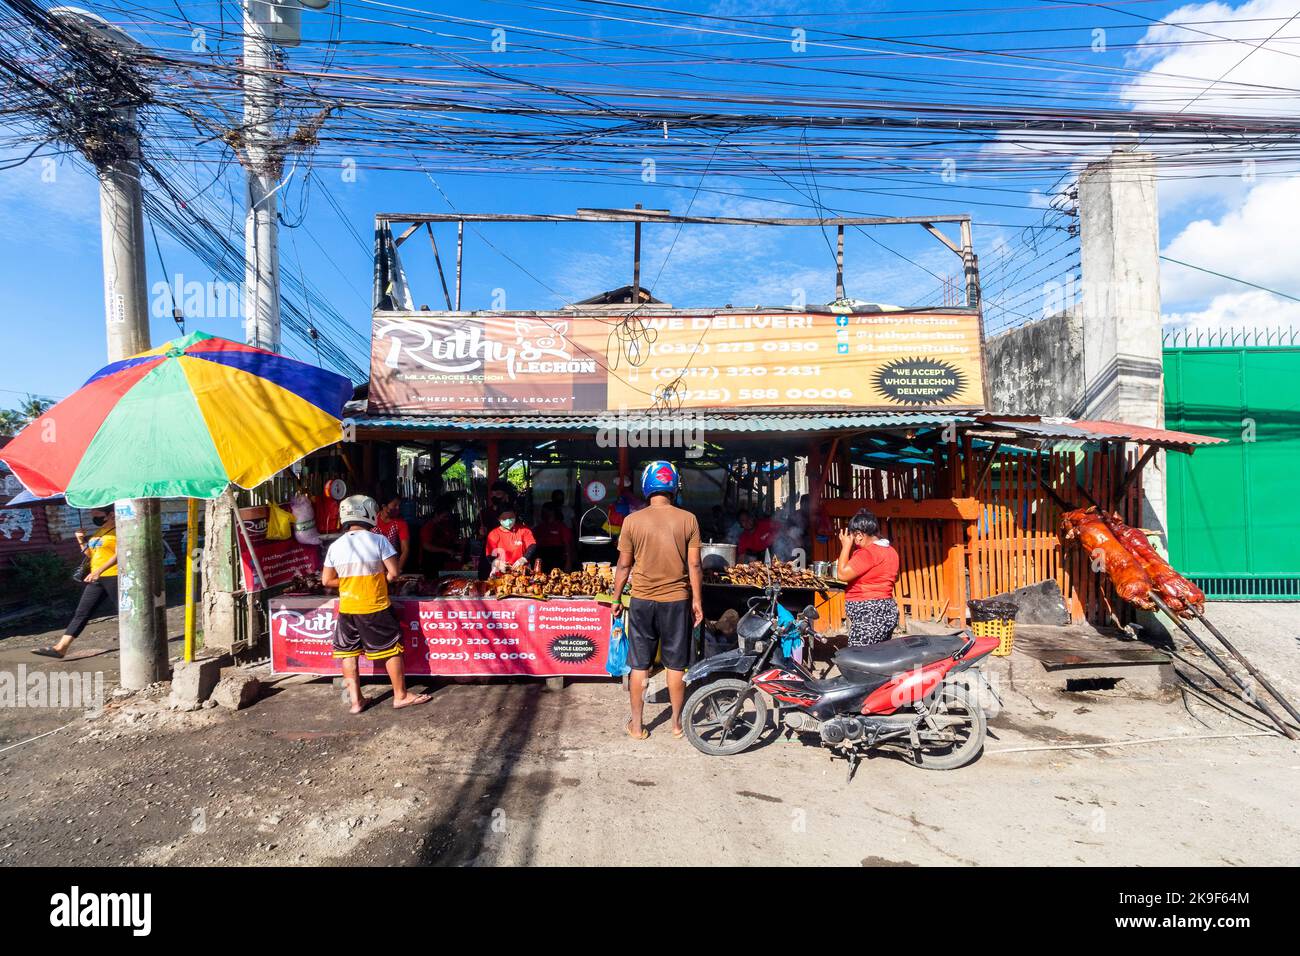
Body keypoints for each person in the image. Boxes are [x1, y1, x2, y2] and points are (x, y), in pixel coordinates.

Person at [610, 461, 703, 741]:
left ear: (647, 486)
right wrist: (697, 601)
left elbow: (623, 567)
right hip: (677, 601)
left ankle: (637, 727)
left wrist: (616, 598)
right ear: (673, 485)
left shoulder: (632, 521)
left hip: (641, 601)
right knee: (676, 665)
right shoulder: (688, 519)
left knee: (640, 664)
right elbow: (695, 565)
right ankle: (676, 725)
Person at [320, 495, 431, 714]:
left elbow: (326, 581)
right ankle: (400, 695)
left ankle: (356, 701)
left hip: (347, 609)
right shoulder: (378, 540)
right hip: (375, 606)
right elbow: (394, 572)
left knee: (348, 653)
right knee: (391, 650)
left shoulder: (336, 545)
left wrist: (350, 581)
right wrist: (377, 579)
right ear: (369, 514)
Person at [35, 507, 118, 659]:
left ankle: (142, 641)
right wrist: (81, 539)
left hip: (114, 576)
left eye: (96, 513)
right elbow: (89, 554)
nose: (92, 515)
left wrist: (98, 571)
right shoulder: (100, 531)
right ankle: (60, 648)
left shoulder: (119, 531)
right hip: (96, 578)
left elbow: (119, 555)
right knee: (82, 613)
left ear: (110, 514)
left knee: (126, 612)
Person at [836, 508, 901, 647]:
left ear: (859, 534)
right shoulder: (891, 551)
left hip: (869, 614)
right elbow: (894, 578)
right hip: (886, 609)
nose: (853, 541)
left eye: (853, 536)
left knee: (858, 660)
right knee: (878, 657)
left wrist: (845, 546)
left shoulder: (868, 553)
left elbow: (842, 574)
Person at [419, 493, 461, 577]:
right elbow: (426, 546)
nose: (446, 519)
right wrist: (445, 550)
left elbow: (452, 538)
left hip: (442, 561)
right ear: (436, 515)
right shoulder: (429, 526)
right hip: (430, 563)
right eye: (444, 516)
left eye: (447, 517)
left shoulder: (446, 525)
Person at [485, 509, 537, 575]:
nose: (508, 521)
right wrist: (498, 563)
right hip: (501, 572)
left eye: (511, 518)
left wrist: (524, 559)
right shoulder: (493, 534)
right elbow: (490, 555)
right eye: (504, 519)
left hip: (522, 571)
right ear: (499, 519)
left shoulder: (524, 530)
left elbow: (532, 545)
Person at [374, 490, 411, 571]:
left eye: (399, 505)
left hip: (392, 566)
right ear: (384, 506)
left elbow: (405, 550)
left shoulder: (401, 523)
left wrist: (396, 570)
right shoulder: (372, 520)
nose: (398, 508)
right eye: (395, 505)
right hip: (373, 566)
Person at [534, 503, 574, 571]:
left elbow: (567, 544)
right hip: (543, 556)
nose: (544, 514)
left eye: (546, 511)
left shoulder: (561, 526)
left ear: (552, 512)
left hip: (557, 556)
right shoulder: (539, 527)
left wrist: (568, 562)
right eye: (543, 512)